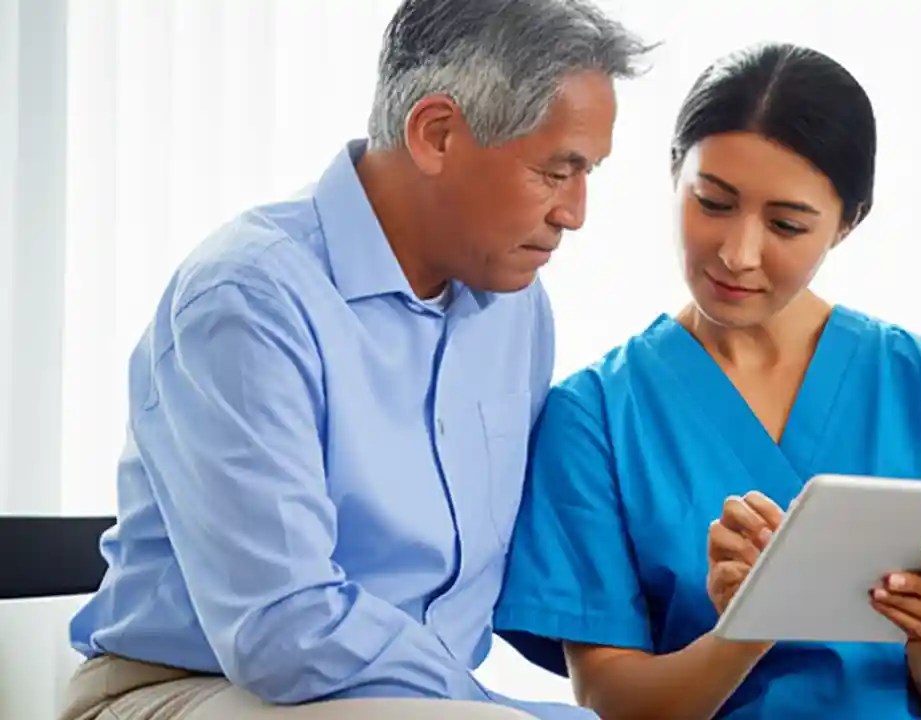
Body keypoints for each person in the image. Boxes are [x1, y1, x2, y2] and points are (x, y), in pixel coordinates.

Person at [59, 1, 648, 718]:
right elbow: (283, 629)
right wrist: (504, 711)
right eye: (557, 172)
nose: (575, 212)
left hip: (420, 706)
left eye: (589, 174)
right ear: (436, 134)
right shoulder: (248, 299)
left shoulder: (516, 309)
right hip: (187, 688)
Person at [493, 42, 921, 719]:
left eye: (787, 224)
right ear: (674, 172)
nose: (737, 254)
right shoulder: (595, 413)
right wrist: (745, 628)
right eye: (712, 203)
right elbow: (610, 698)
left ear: (848, 223)